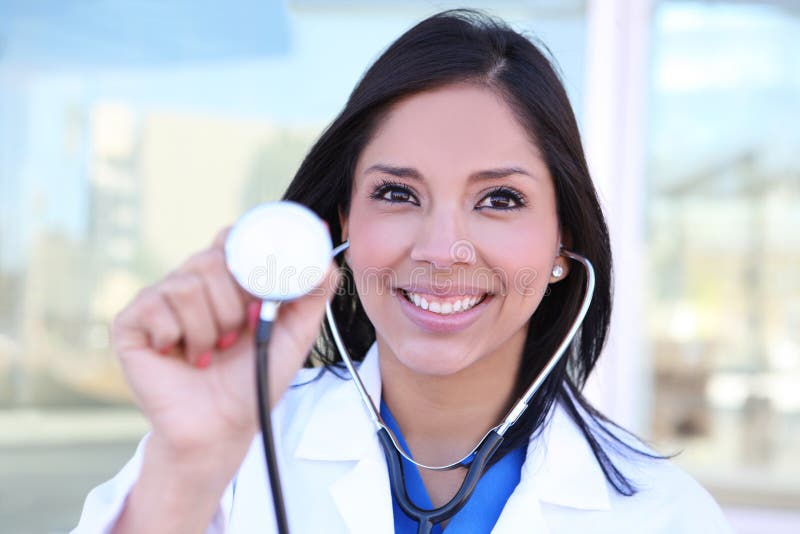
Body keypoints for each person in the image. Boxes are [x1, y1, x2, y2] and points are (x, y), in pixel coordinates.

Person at [74, 9, 731, 533]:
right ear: (343, 224)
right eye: (397, 193)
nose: (443, 249)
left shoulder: (666, 516)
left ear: (563, 244)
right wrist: (189, 464)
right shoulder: (228, 452)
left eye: (499, 199)